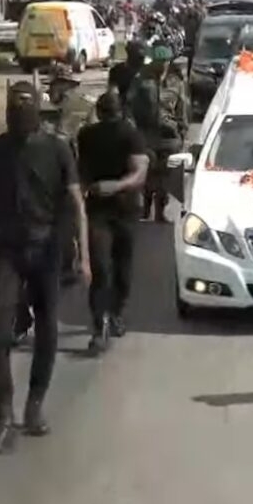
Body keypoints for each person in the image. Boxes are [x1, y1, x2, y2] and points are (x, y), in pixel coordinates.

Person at [0, 83, 90, 456]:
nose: (20, 116)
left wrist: (83, 256)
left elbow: (76, 203)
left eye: (26, 109)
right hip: (5, 250)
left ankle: (35, 405)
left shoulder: (57, 148)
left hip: (47, 250)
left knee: (47, 330)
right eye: (15, 109)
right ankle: (3, 419)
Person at [76, 93, 150, 354]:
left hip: (125, 210)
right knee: (101, 269)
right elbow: (81, 169)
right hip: (98, 210)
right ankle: (100, 326)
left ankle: (115, 313)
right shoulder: (87, 136)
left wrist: (115, 186)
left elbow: (140, 172)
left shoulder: (131, 136)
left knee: (122, 270)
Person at [128, 44, 187, 223]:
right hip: (147, 134)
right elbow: (129, 106)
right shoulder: (140, 80)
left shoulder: (176, 82)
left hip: (170, 137)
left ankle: (161, 211)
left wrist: (182, 131)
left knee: (166, 176)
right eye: (158, 61)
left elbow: (183, 108)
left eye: (165, 62)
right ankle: (146, 208)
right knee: (148, 173)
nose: (162, 65)